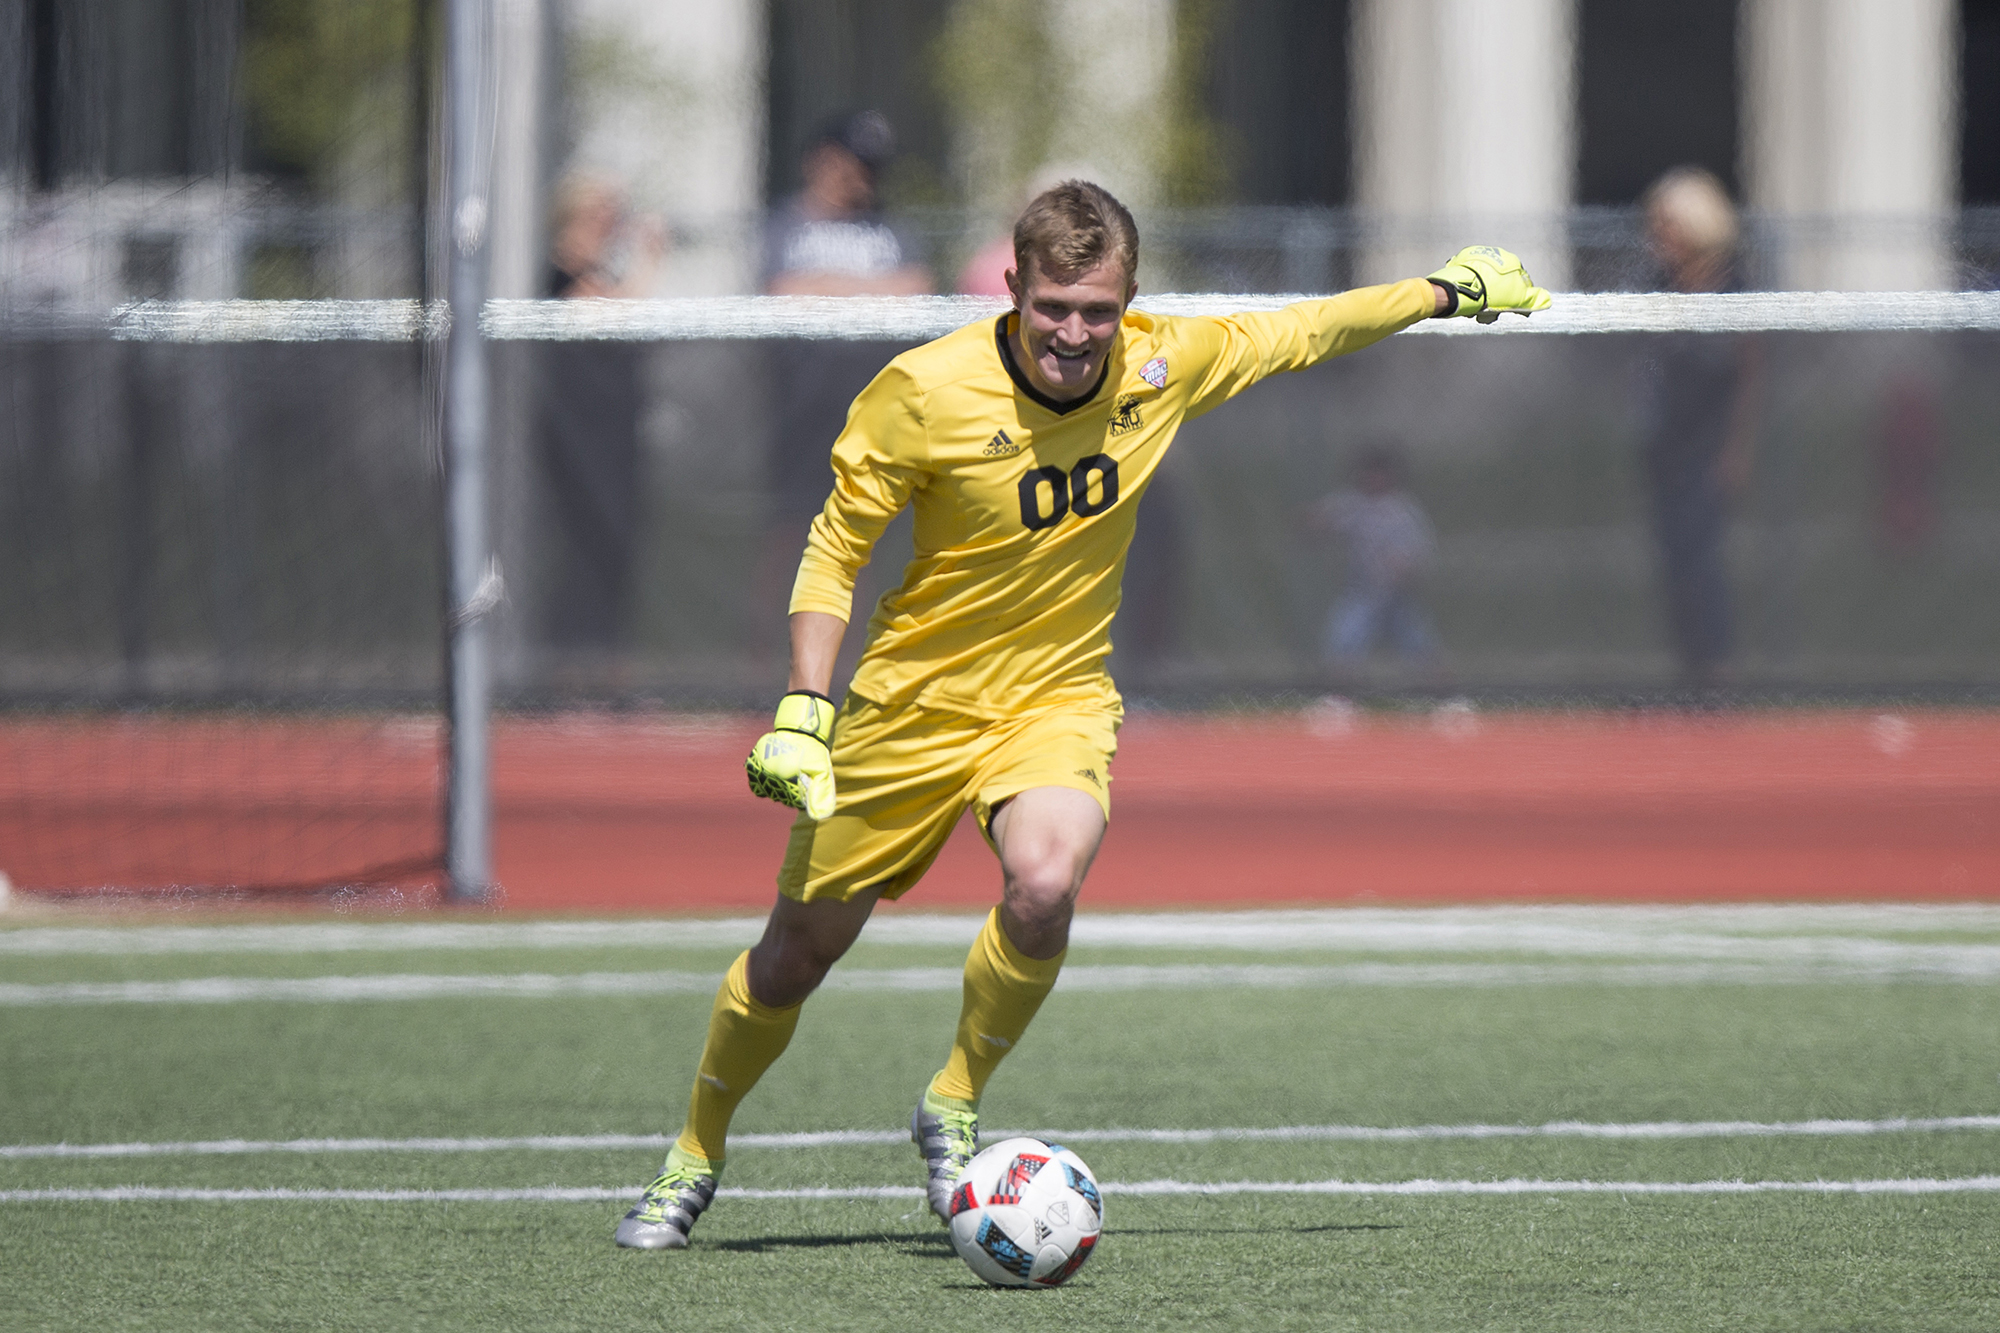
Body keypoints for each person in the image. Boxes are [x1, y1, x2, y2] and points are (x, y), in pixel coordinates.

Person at [613, 183, 1551, 1250]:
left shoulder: (1161, 362)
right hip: (906, 712)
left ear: (1129, 302)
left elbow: (1302, 328)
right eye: (1052, 305)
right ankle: (693, 1153)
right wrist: (802, 705)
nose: (1073, 333)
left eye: (1097, 311)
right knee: (793, 958)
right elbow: (834, 549)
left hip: (1054, 700)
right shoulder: (924, 389)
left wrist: (1441, 290)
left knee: (1044, 882)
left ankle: (953, 1097)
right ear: (1012, 288)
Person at [755, 112, 933, 657]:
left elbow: (917, 289)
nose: (861, 179)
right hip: (798, 411)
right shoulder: (786, 224)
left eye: (871, 168)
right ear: (821, 159)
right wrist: (869, 293)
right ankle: (763, 658)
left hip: (874, 407)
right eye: (852, 164)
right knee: (789, 535)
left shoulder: (891, 231)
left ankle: (853, 658)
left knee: (870, 537)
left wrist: (831, 291)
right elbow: (782, 290)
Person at [1635, 166, 1763, 689]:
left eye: (1668, 225)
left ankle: (1716, 675)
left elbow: (1752, 373)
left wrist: (1736, 448)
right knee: (1675, 560)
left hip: (1709, 445)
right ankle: (1690, 674)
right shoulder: (1655, 284)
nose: (1658, 237)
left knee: (1702, 559)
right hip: (1664, 443)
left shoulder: (1734, 286)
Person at [537, 176, 665, 666]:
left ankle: (604, 669)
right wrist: (649, 256)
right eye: (603, 211)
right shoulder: (562, 275)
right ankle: (569, 671)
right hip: (575, 440)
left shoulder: (599, 272)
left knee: (615, 553)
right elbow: (618, 315)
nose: (612, 222)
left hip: (613, 438)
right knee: (582, 553)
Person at [1308, 444, 1438, 669]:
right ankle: (1340, 691)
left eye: (1380, 472)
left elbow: (1417, 554)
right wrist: (1314, 523)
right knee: (1343, 643)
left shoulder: (1402, 510)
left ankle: (1443, 692)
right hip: (1362, 591)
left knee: (1421, 649)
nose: (1373, 478)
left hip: (1396, 596)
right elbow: (1320, 522)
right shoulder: (1353, 504)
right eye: (1368, 472)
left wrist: (1404, 567)